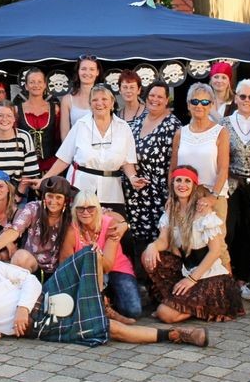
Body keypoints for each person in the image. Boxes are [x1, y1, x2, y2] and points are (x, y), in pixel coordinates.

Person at [0, 236, 209, 347]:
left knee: (90, 251)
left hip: (42, 297)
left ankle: (95, 304)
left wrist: (22, 307)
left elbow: (31, 281)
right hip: (39, 324)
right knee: (108, 328)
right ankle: (175, 335)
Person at [142, 166, 244, 322]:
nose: (182, 185)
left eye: (187, 181)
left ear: (194, 185)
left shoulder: (203, 211)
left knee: (165, 314)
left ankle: (206, 305)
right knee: (148, 256)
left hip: (208, 273)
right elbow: (164, 240)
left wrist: (192, 279)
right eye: (178, 180)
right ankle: (180, 302)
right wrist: (152, 246)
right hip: (186, 267)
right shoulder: (171, 210)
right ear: (173, 184)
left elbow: (215, 251)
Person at [45, 84, 147, 219]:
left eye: (104, 99)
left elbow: (127, 162)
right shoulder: (81, 125)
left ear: (112, 103)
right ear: (90, 104)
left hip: (112, 192)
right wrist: (44, 179)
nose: (99, 103)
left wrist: (133, 178)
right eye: (95, 100)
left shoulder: (123, 128)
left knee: (111, 231)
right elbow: (64, 158)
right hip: (81, 189)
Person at [121, 81, 182, 271]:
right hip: (133, 190)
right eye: (152, 96)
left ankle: (156, 285)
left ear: (167, 100)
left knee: (157, 239)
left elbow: (175, 164)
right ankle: (137, 280)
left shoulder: (173, 125)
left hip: (158, 193)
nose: (155, 100)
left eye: (160, 97)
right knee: (134, 237)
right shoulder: (137, 122)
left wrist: (172, 195)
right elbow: (125, 154)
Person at [170, 83, 230, 269]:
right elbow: (173, 168)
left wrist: (213, 197)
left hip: (212, 192)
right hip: (183, 193)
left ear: (211, 104)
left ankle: (227, 290)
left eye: (205, 102)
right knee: (184, 240)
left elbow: (223, 169)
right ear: (188, 104)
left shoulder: (220, 132)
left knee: (217, 244)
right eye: (195, 101)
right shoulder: (181, 133)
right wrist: (170, 196)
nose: (199, 106)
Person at [59, 191, 141, 322]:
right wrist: (88, 255)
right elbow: (66, 264)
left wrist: (96, 254)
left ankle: (109, 297)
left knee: (133, 310)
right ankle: (104, 306)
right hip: (86, 273)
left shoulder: (110, 224)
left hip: (116, 267)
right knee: (92, 263)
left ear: (97, 209)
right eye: (81, 208)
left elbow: (107, 265)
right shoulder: (71, 230)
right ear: (75, 210)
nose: (85, 212)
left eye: (90, 208)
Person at [0, 176, 76, 282]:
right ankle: (17, 291)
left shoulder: (72, 215)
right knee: (20, 256)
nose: (53, 201)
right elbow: (14, 231)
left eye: (58, 197)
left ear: (65, 200)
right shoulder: (33, 208)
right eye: (50, 196)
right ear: (44, 197)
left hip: (59, 269)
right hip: (32, 266)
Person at [219, 79, 250, 300]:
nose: (246, 101)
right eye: (242, 96)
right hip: (230, 185)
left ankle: (243, 279)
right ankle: (227, 277)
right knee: (229, 230)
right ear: (235, 98)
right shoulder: (224, 123)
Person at [16, 67, 61, 173]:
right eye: (32, 82)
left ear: (45, 85)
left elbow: (59, 137)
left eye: (39, 82)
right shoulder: (17, 110)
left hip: (51, 165)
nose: (36, 85)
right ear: (26, 86)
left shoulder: (55, 109)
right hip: (25, 166)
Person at [59, 54, 103, 139]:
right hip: (76, 150)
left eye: (92, 69)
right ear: (78, 71)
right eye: (83, 69)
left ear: (97, 72)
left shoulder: (105, 99)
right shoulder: (67, 100)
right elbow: (65, 135)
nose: (87, 73)